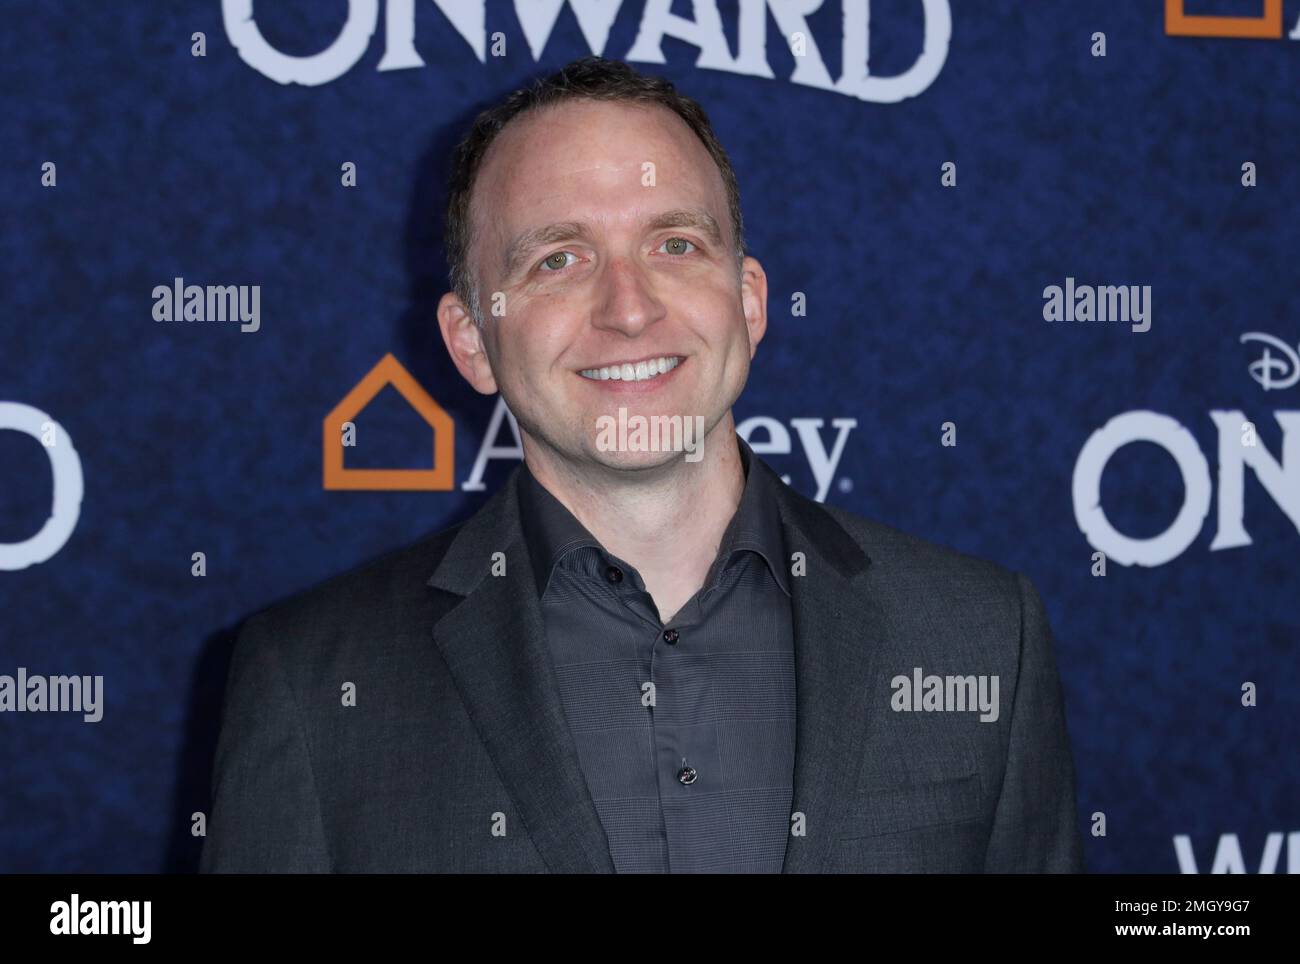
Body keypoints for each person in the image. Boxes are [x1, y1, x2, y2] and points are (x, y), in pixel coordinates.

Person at [201, 56, 1083, 873]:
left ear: (748, 301)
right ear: (472, 341)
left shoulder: (979, 639)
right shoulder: (312, 682)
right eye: (558, 258)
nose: (628, 309)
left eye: (674, 245)